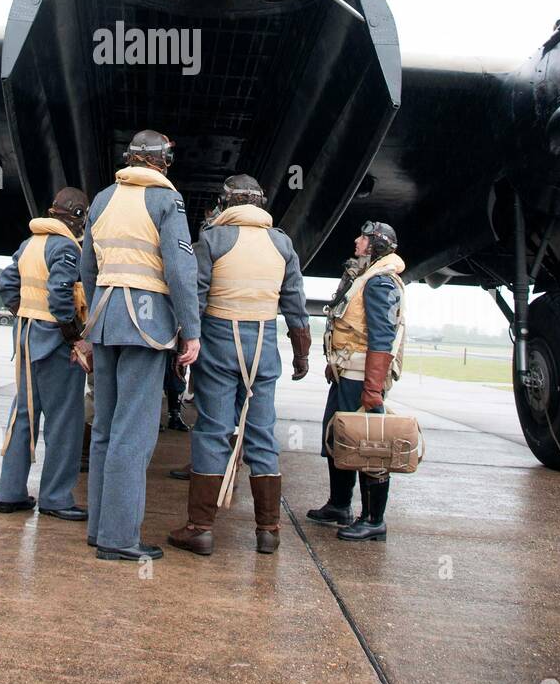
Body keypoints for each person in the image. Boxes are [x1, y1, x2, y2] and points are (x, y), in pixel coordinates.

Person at [168, 175, 310, 557]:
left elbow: (194, 295)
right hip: (263, 347)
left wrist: (185, 346)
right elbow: (295, 302)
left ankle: (200, 528)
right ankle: (268, 530)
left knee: (213, 430)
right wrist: (301, 353)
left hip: (217, 343)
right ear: (261, 203)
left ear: (226, 202)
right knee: (262, 433)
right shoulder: (282, 243)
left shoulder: (212, 239)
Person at [81, 130, 200, 561]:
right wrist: (191, 329)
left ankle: (100, 529)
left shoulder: (101, 199)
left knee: (106, 430)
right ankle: (119, 539)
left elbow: (87, 268)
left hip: (106, 318)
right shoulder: (167, 200)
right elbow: (181, 271)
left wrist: (91, 324)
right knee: (135, 433)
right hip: (146, 325)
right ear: (161, 162)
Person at [0, 187, 91, 522]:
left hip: (24, 337)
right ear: (77, 216)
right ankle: (55, 497)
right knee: (64, 422)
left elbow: (7, 282)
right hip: (54, 343)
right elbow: (61, 292)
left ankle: (10, 492)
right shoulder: (66, 246)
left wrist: (24, 312)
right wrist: (72, 335)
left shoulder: (29, 244)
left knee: (23, 415)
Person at [307, 221, 406, 542]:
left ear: (375, 245)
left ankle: (374, 519)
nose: (356, 241)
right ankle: (339, 505)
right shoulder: (363, 277)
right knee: (337, 439)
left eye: (363, 238)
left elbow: (381, 338)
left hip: (361, 378)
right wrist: (335, 363)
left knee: (369, 446)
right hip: (346, 374)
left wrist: (373, 389)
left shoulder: (379, 283)